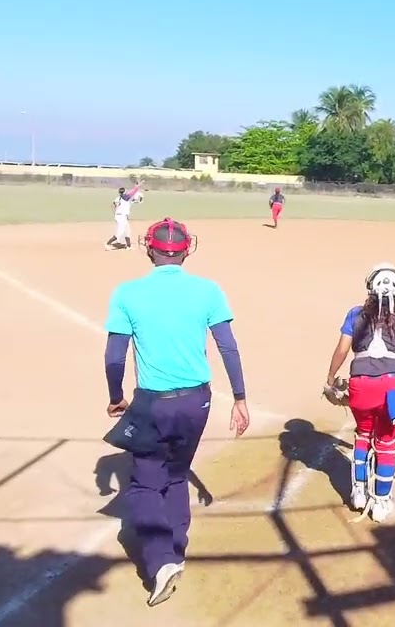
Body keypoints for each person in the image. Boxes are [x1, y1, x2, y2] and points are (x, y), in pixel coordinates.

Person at [103, 217, 251, 607]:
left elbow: (115, 356)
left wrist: (116, 396)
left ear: (149, 249)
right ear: (186, 250)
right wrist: (239, 398)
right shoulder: (208, 290)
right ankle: (177, 550)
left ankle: (162, 561)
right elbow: (228, 347)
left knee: (144, 484)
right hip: (197, 401)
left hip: (153, 402)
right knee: (177, 474)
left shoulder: (127, 293)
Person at [324, 263, 395, 523]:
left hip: (360, 384)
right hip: (392, 388)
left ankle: (358, 493)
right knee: (386, 442)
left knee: (363, 434)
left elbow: (342, 350)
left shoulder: (355, 314)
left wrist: (330, 377)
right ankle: (381, 501)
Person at [106, 180, 144, 250]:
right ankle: (107, 244)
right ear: (124, 192)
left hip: (121, 216)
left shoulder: (118, 198)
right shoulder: (125, 197)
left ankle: (128, 246)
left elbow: (112, 205)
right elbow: (133, 191)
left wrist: (116, 213)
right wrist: (138, 185)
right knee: (120, 233)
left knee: (127, 231)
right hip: (121, 217)